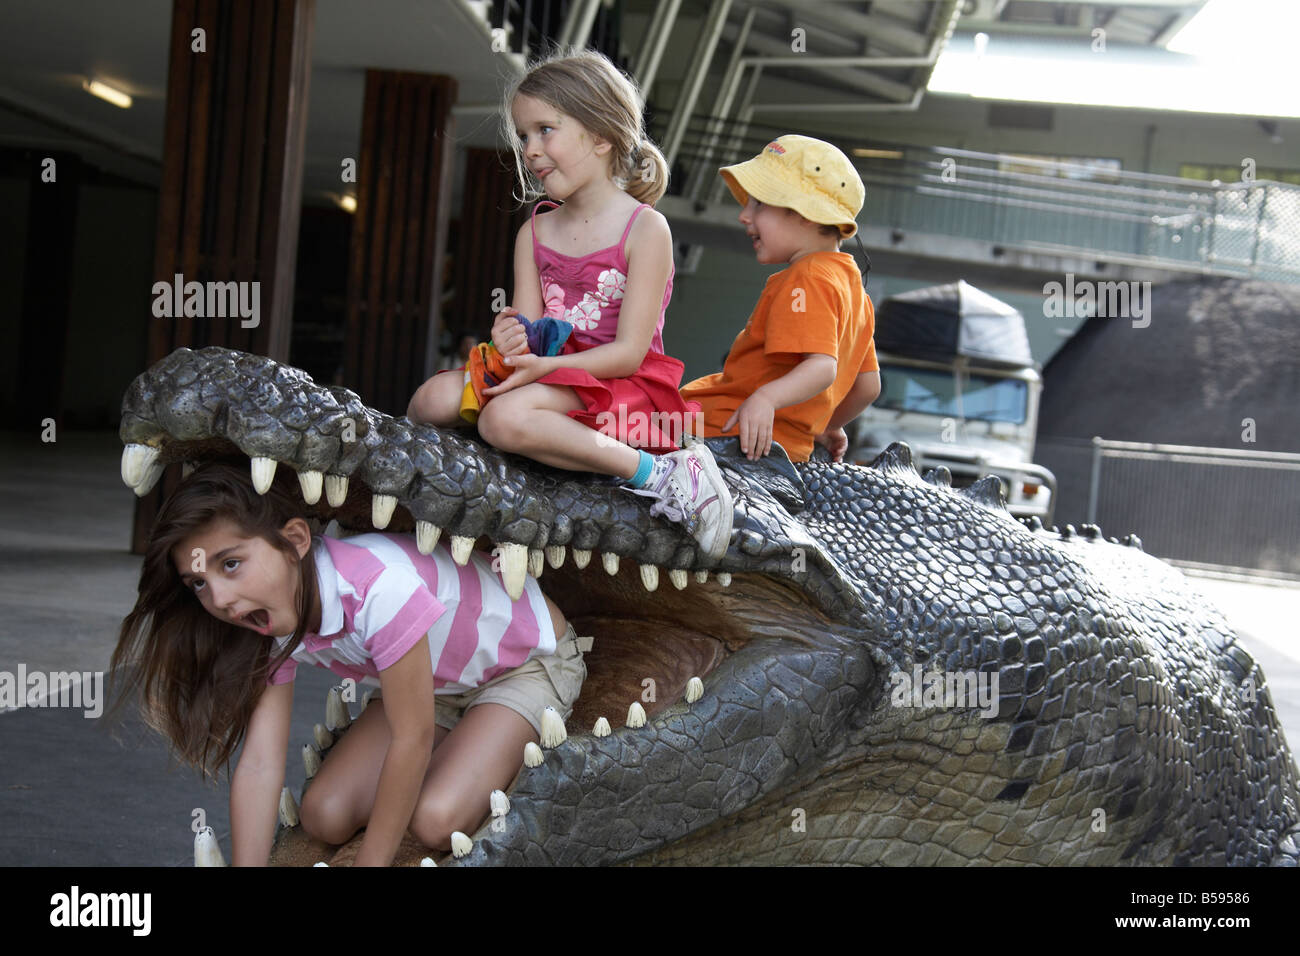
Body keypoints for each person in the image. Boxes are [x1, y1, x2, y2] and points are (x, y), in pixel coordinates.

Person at [108, 462, 588, 867]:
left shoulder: (380, 591)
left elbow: (411, 737)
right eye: (198, 583)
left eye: (230, 564)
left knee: (435, 818)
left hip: (523, 664)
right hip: (439, 685)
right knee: (324, 813)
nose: (221, 600)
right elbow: (259, 762)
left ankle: (488, 752)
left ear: (295, 540)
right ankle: (468, 747)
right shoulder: (265, 619)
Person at [407, 49, 732, 560]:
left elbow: (628, 352)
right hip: (547, 373)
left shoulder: (645, 228)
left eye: (545, 130)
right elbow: (531, 330)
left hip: (617, 383)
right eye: (523, 136)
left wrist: (543, 366)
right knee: (431, 399)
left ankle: (665, 474)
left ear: (601, 136)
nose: (531, 149)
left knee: (501, 420)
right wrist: (512, 337)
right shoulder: (533, 230)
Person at [680, 134, 882, 464]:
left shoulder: (808, 278)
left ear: (806, 213)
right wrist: (826, 423)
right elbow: (868, 386)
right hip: (788, 453)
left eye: (759, 203)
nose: (744, 215)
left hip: (722, 432)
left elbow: (821, 367)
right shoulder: (855, 292)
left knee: (615, 423)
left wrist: (765, 399)